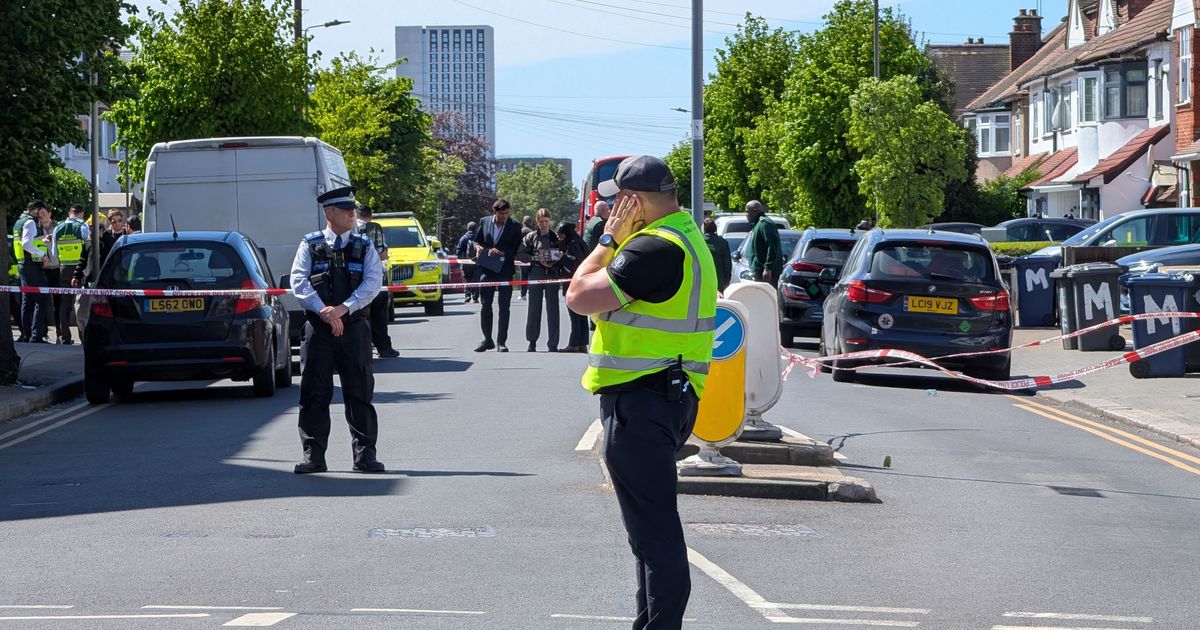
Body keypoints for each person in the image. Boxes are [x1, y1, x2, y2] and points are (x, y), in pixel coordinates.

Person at [565, 155, 716, 630]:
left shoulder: (653, 248)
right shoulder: (685, 237)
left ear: (633, 200)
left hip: (643, 402)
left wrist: (609, 239)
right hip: (667, 397)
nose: (610, 212)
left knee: (656, 536)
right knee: (648, 536)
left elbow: (578, 295)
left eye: (616, 203)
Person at [289, 186, 386, 474]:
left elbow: (373, 282)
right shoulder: (310, 244)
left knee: (360, 392)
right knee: (314, 393)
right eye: (346, 210)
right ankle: (313, 456)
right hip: (319, 330)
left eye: (352, 209)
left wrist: (342, 309)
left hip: (354, 328)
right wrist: (324, 311)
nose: (352, 213)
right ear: (329, 213)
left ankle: (365, 456)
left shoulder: (364, 245)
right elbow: (299, 282)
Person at [471, 198, 522, 352]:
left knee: (504, 306)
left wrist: (502, 252)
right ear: (495, 212)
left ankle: (502, 342)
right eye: (501, 214)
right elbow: (476, 240)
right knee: (485, 305)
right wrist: (478, 247)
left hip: (505, 270)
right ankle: (487, 340)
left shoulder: (514, 226)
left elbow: (517, 248)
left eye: (506, 213)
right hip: (487, 269)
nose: (504, 217)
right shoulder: (484, 222)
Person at [356, 205, 399, 359]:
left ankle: (364, 348)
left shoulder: (345, 229)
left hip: (353, 280)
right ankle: (384, 348)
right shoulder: (372, 229)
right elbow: (383, 254)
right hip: (373, 278)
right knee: (378, 316)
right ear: (370, 216)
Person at [519, 208, 562, 352]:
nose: (543, 224)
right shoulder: (531, 236)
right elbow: (520, 254)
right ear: (536, 221)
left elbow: (563, 254)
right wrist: (536, 258)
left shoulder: (555, 237)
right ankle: (532, 342)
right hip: (536, 272)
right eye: (541, 221)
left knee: (553, 309)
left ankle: (553, 343)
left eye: (546, 221)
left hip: (552, 273)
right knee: (534, 309)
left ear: (550, 221)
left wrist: (554, 258)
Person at [13, 201, 52, 343]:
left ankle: (26, 334)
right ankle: (36, 336)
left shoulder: (19, 222)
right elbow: (27, 244)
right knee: (41, 298)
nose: (40, 215)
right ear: (34, 210)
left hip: (23, 264)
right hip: (30, 265)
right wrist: (42, 253)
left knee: (27, 300)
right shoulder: (29, 222)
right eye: (39, 211)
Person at [52, 205, 89, 345]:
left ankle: (65, 337)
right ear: (81, 213)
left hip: (64, 269)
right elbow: (88, 247)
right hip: (80, 270)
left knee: (65, 304)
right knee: (80, 304)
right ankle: (82, 337)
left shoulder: (58, 227)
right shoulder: (83, 226)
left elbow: (55, 253)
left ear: (69, 213)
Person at [556, 221, 588, 353]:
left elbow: (572, 264)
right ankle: (582, 343)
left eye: (561, 234)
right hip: (583, 282)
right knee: (582, 314)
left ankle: (574, 344)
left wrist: (561, 257)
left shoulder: (573, 244)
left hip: (572, 283)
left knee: (574, 314)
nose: (559, 238)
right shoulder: (580, 241)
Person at [745, 199, 782, 284]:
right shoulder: (757, 224)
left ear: (754, 210)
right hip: (758, 272)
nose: (746, 215)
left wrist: (768, 268)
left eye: (747, 212)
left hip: (765, 273)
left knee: (767, 296)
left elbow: (773, 246)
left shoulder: (765, 224)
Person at [701, 217, 732, 293]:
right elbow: (727, 263)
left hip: (702, 278)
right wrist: (727, 279)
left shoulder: (700, 240)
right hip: (718, 278)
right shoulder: (722, 242)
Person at [455, 221, 479, 303]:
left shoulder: (463, 238)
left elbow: (458, 251)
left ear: (467, 228)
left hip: (466, 262)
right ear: (476, 228)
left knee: (467, 279)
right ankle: (475, 297)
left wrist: (460, 262)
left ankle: (467, 295)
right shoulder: (479, 237)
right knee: (476, 279)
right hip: (477, 262)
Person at [517, 214, 534, 300]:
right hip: (531, 256)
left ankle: (523, 294)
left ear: (523, 222)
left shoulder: (520, 231)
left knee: (523, 275)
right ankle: (531, 293)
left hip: (522, 256)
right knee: (531, 275)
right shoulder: (533, 232)